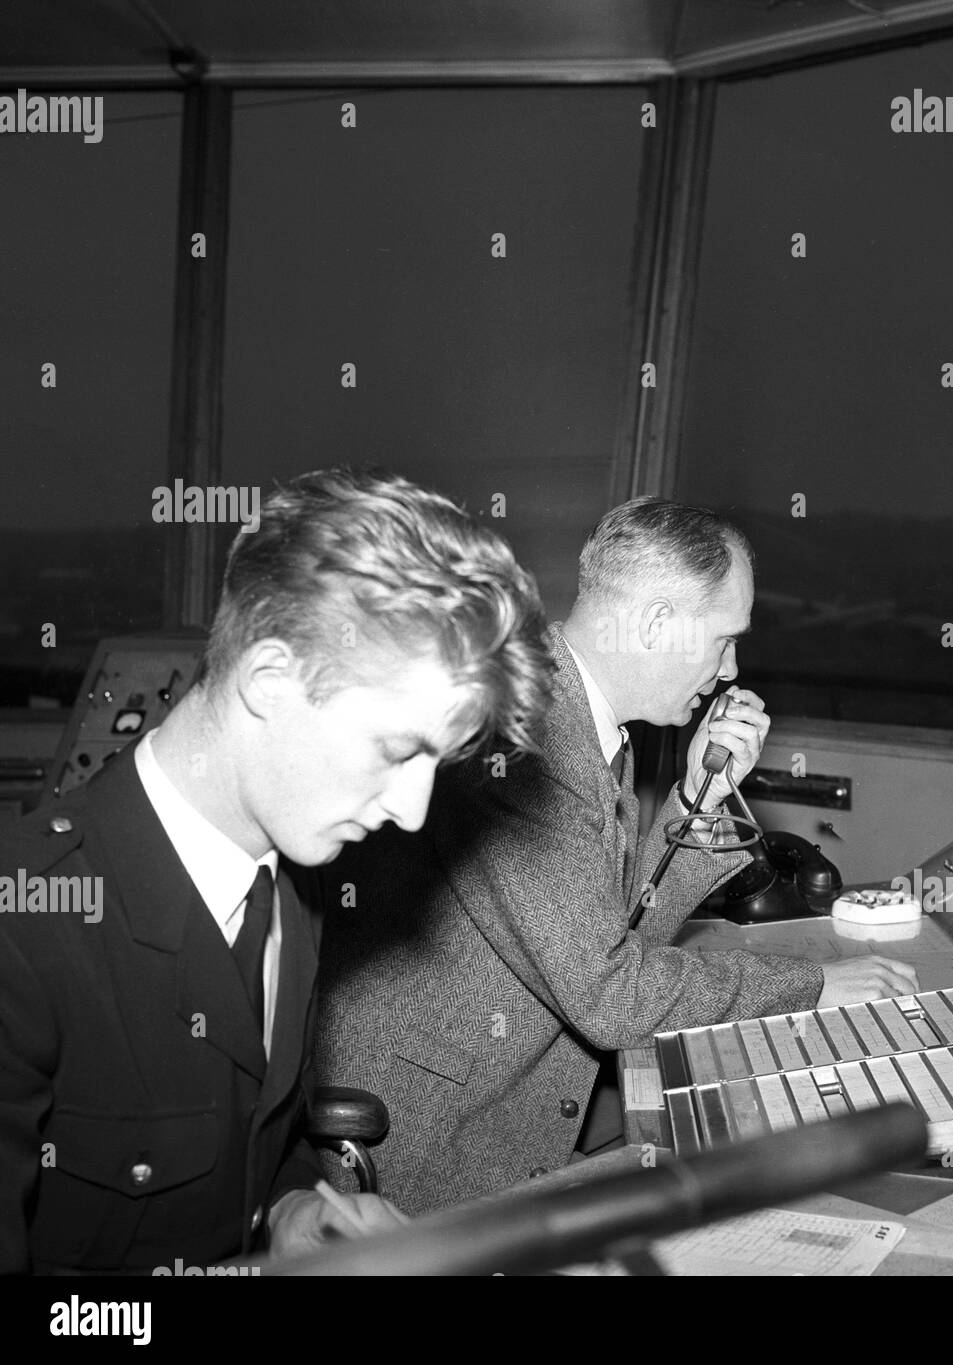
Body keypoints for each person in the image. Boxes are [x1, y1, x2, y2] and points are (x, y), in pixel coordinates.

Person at [0, 468, 551, 1273]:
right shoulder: (26, 929)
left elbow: (255, 1136)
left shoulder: (296, 879)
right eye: (398, 750)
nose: (413, 811)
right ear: (268, 682)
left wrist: (292, 1211)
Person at [313, 496, 916, 1213]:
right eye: (724, 639)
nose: (730, 670)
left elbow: (615, 935)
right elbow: (612, 994)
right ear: (658, 623)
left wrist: (698, 798)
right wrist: (812, 987)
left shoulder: (593, 724)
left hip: (505, 1116)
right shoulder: (524, 736)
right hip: (424, 1148)